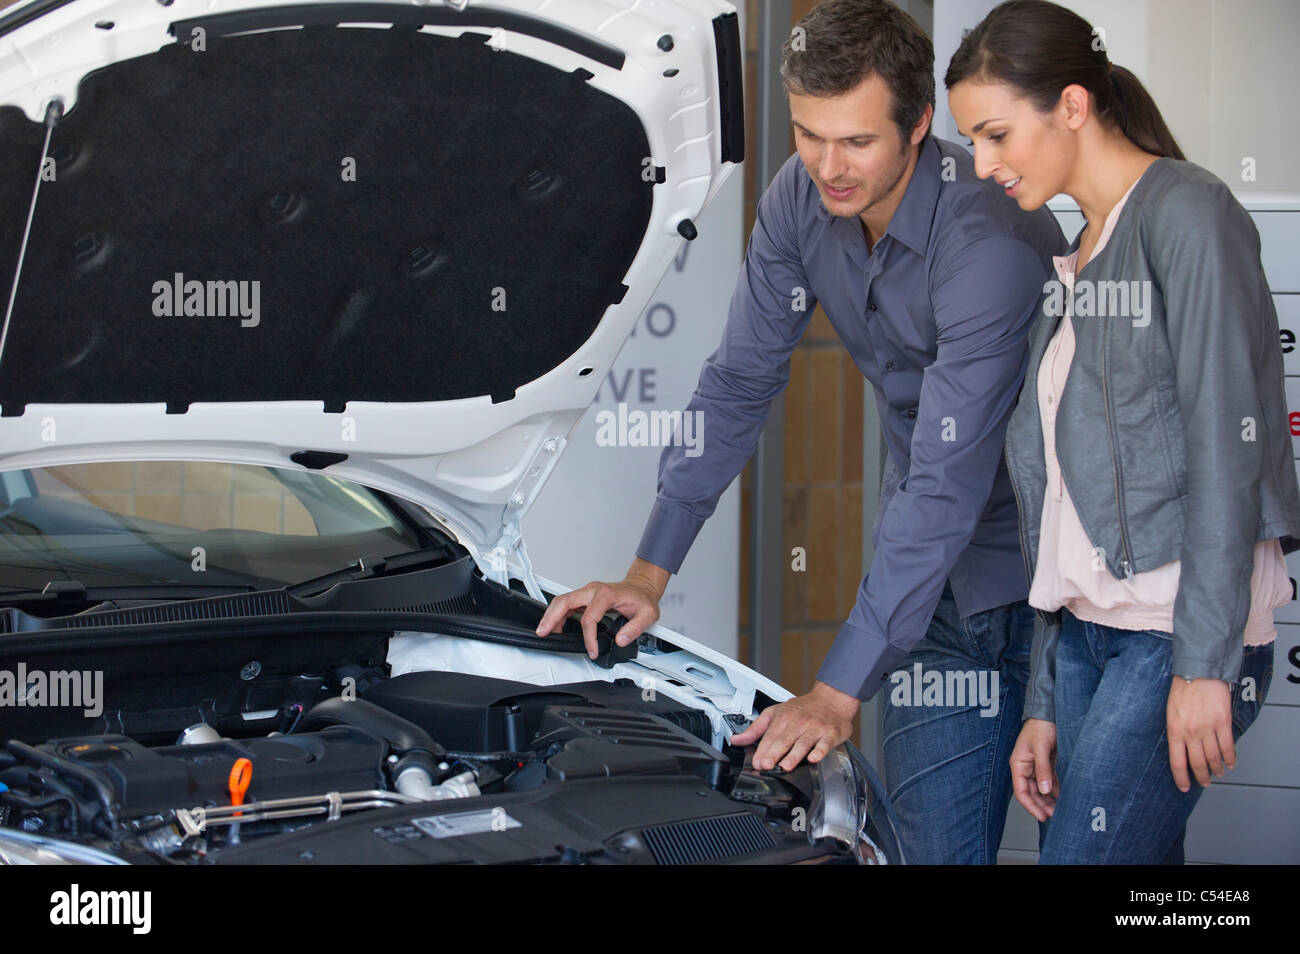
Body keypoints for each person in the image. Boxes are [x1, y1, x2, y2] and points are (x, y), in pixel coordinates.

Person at [536, 0, 1066, 864]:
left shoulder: (988, 242)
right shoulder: (799, 198)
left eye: (856, 141)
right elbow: (740, 381)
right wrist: (647, 574)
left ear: (920, 124)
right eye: (810, 135)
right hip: (932, 595)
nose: (829, 166)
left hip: (1059, 597)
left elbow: (945, 478)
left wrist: (833, 693)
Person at [946, 0, 1300, 864]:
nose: (984, 163)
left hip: (1174, 632)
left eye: (996, 134)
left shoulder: (1187, 213)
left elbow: (1229, 444)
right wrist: (1042, 700)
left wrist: (1203, 666)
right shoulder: (1081, 249)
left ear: (1071, 105)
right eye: (973, 142)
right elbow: (1061, 506)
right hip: (1087, 637)